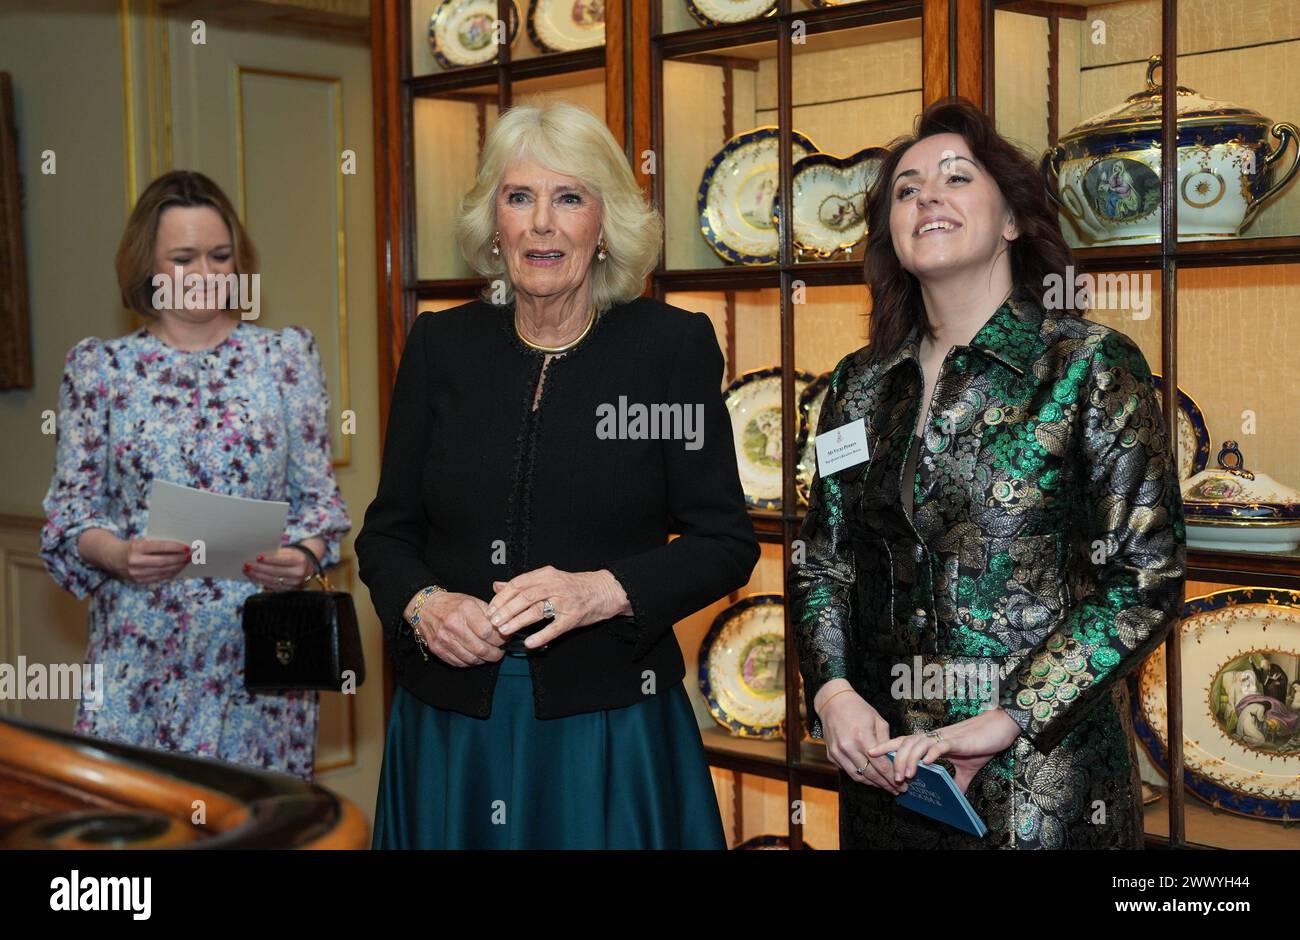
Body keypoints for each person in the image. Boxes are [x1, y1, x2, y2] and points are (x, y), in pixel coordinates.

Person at [357, 101, 759, 849]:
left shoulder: (668, 349)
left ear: (604, 224)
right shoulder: (442, 346)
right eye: (519, 197)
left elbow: (723, 541)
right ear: (495, 223)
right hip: (450, 730)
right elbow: (386, 537)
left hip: (608, 727)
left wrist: (600, 592)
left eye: (568, 197)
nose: (541, 223)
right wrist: (421, 606)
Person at [788, 97, 1185, 849]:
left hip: (1043, 782)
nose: (925, 197)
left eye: (955, 178)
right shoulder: (859, 384)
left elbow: (1145, 578)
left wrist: (1008, 719)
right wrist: (835, 693)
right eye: (905, 190)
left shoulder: (1087, 365)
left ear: (1011, 221)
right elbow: (823, 561)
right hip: (892, 780)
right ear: (892, 235)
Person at [39, 170, 351, 779]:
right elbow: (69, 516)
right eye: (183, 259)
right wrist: (118, 553)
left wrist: (307, 556)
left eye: (219, 255)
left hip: (264, 665)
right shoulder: (101, 369)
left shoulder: (285, 358)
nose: (206, 274)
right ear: (147, 267)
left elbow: (321, 509)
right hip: (138, 658)